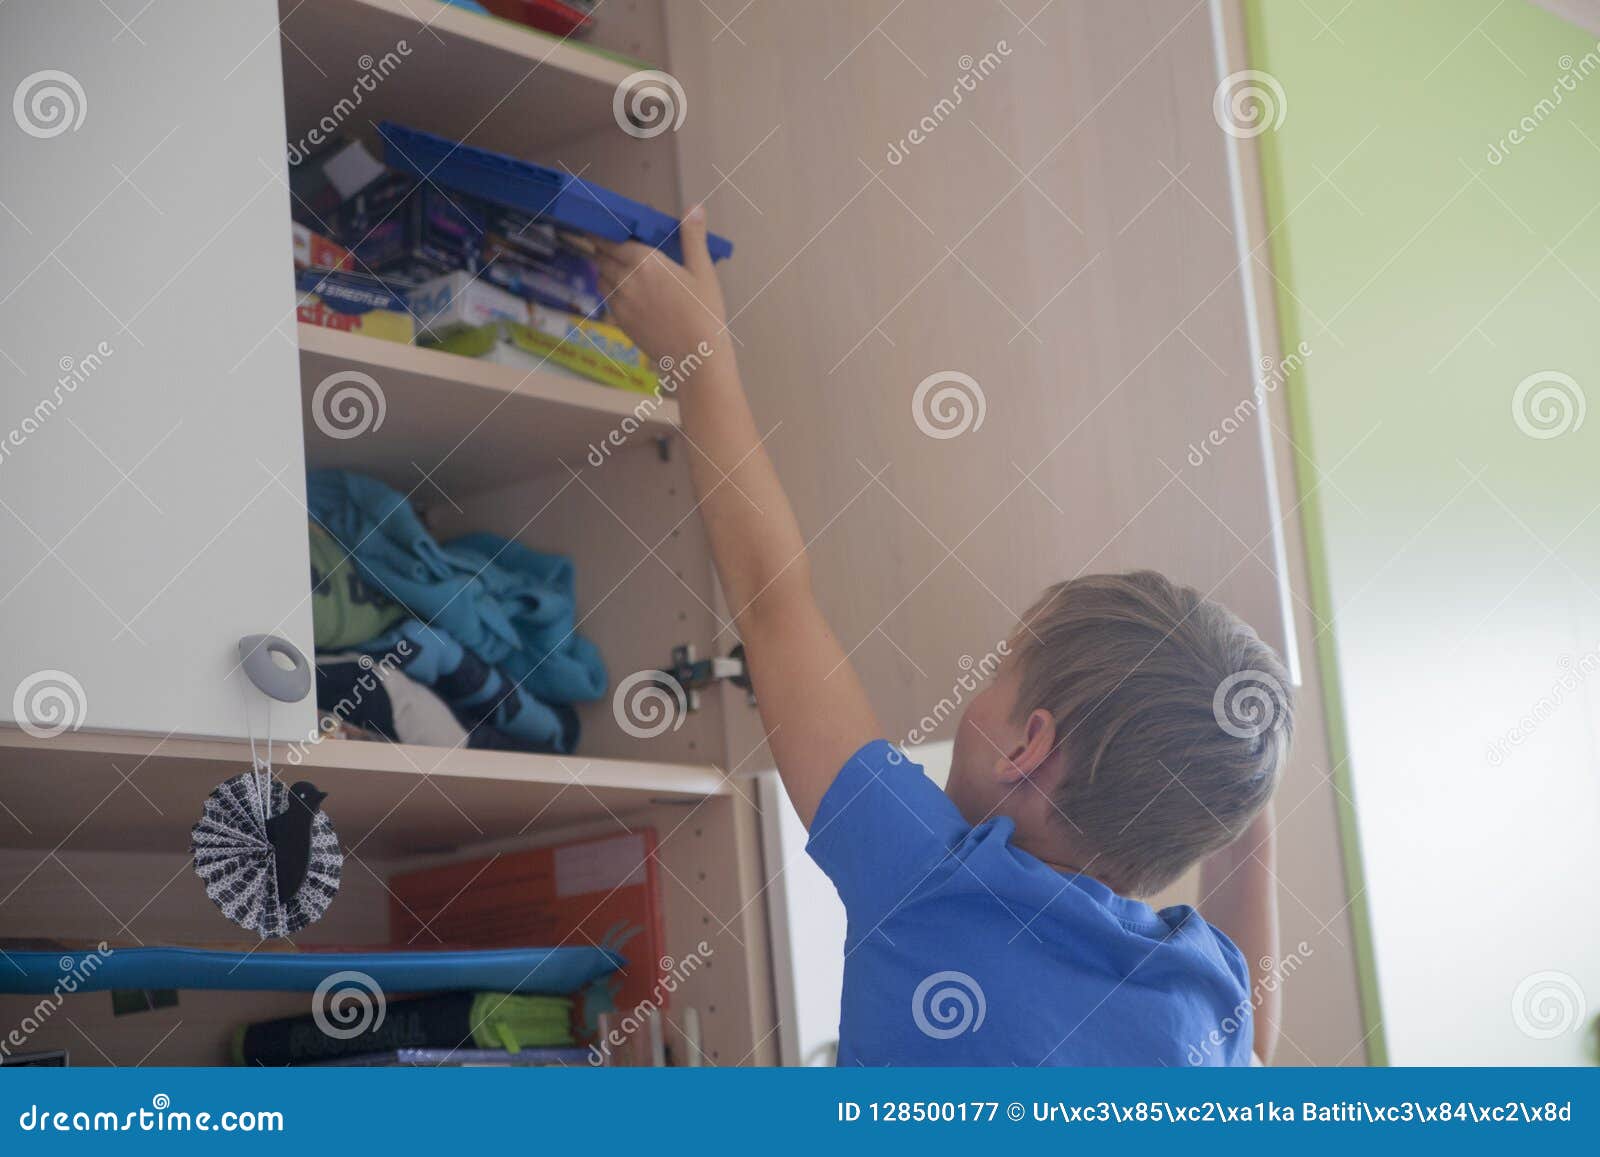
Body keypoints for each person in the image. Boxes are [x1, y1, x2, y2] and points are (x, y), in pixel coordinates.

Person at [594, 209, 1293, 1066]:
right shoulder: (1199, 995)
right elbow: (1253, 1035)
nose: (977, 686)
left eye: (999, 669)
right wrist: (1237, 764)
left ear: (1028, 746)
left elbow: (774, 601)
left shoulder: (931, 877)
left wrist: (697, 355)